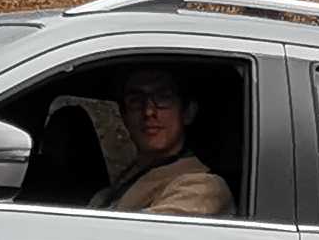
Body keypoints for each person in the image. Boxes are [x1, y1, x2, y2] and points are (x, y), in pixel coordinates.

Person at [98, 65, 232, 216]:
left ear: (188, 112)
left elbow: (139, 236)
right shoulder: (128, 179)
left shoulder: (202, 187)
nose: (148, 111)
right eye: (136, 100)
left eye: (163, 97)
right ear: (124, 115)